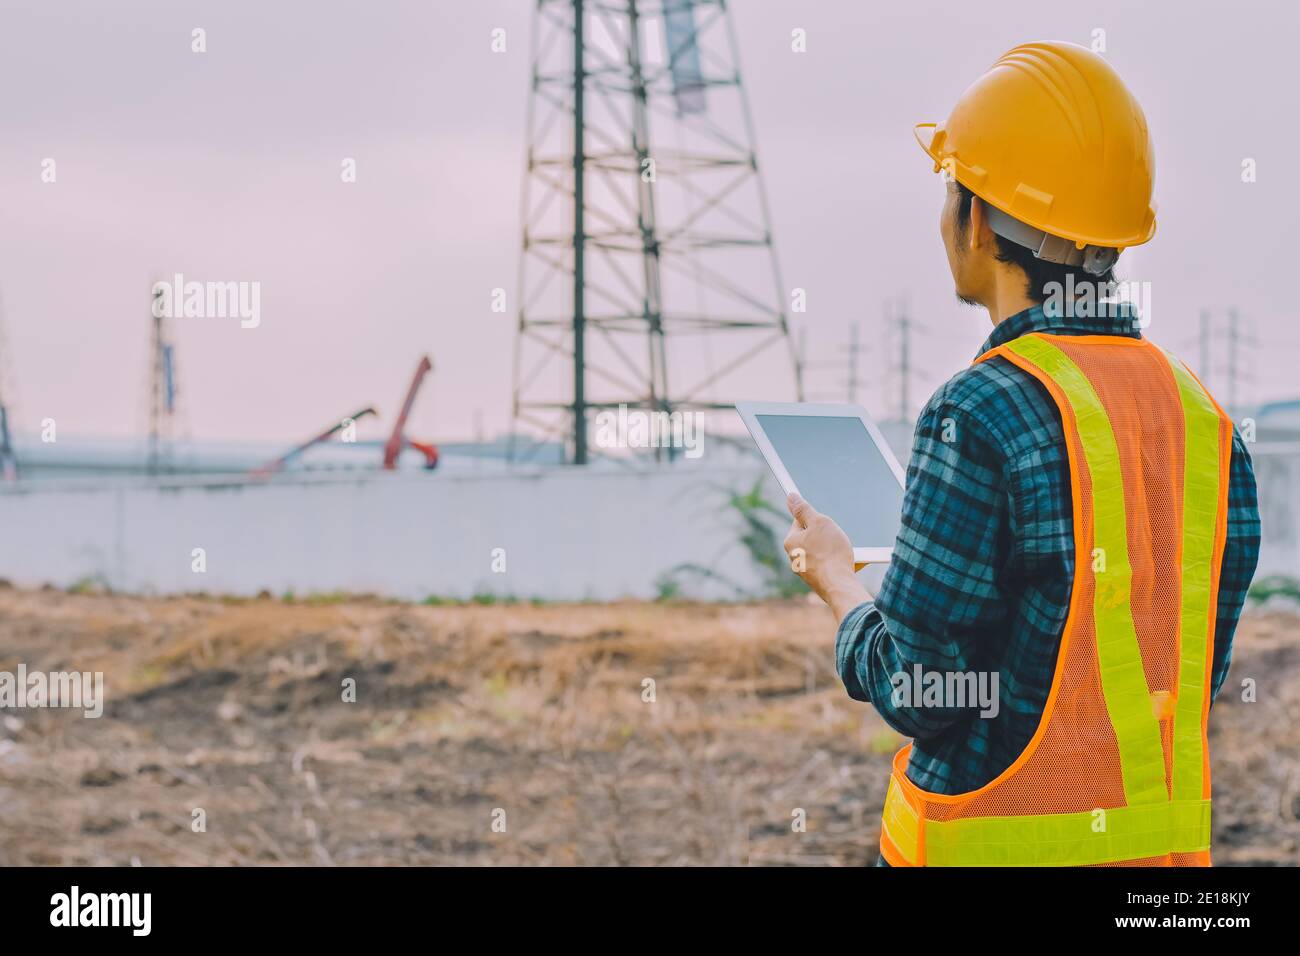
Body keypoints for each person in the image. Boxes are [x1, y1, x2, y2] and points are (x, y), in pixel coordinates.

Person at [783, 41, 1261, 866]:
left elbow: (921, 692)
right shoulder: (1205, 420)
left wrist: (839, 585)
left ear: (974, 218)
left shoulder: (981, 412)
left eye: (950, 189)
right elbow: (1179, 678)